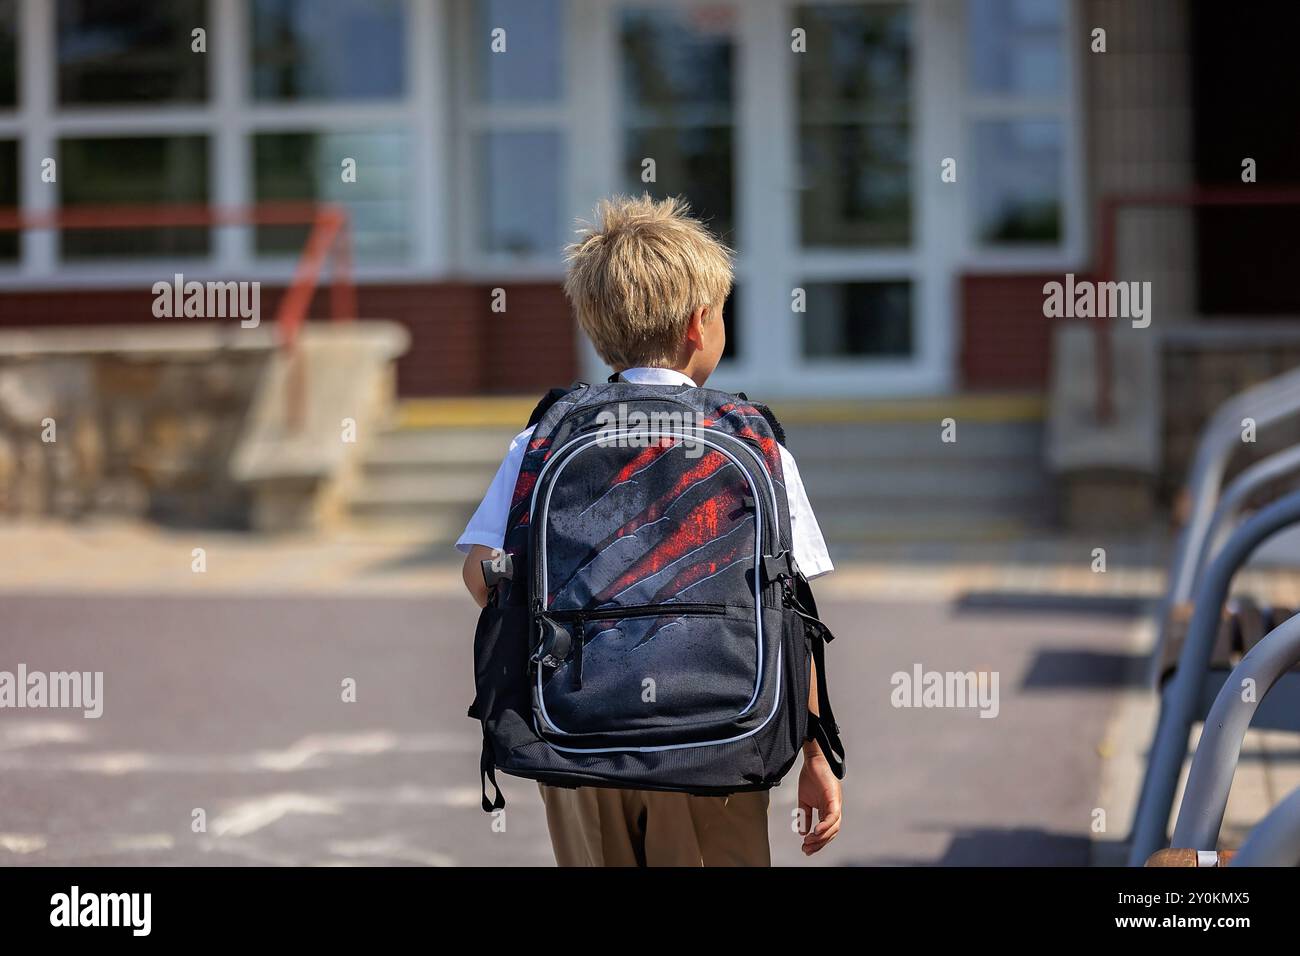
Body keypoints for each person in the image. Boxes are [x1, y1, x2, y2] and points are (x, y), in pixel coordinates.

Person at [458, 194, 841, 866]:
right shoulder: (753, 444)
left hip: (579, 737)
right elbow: (793, 608)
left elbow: (481, 571)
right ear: (700, 324)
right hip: (719, 744)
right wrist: (815, 752)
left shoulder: (545, 438)